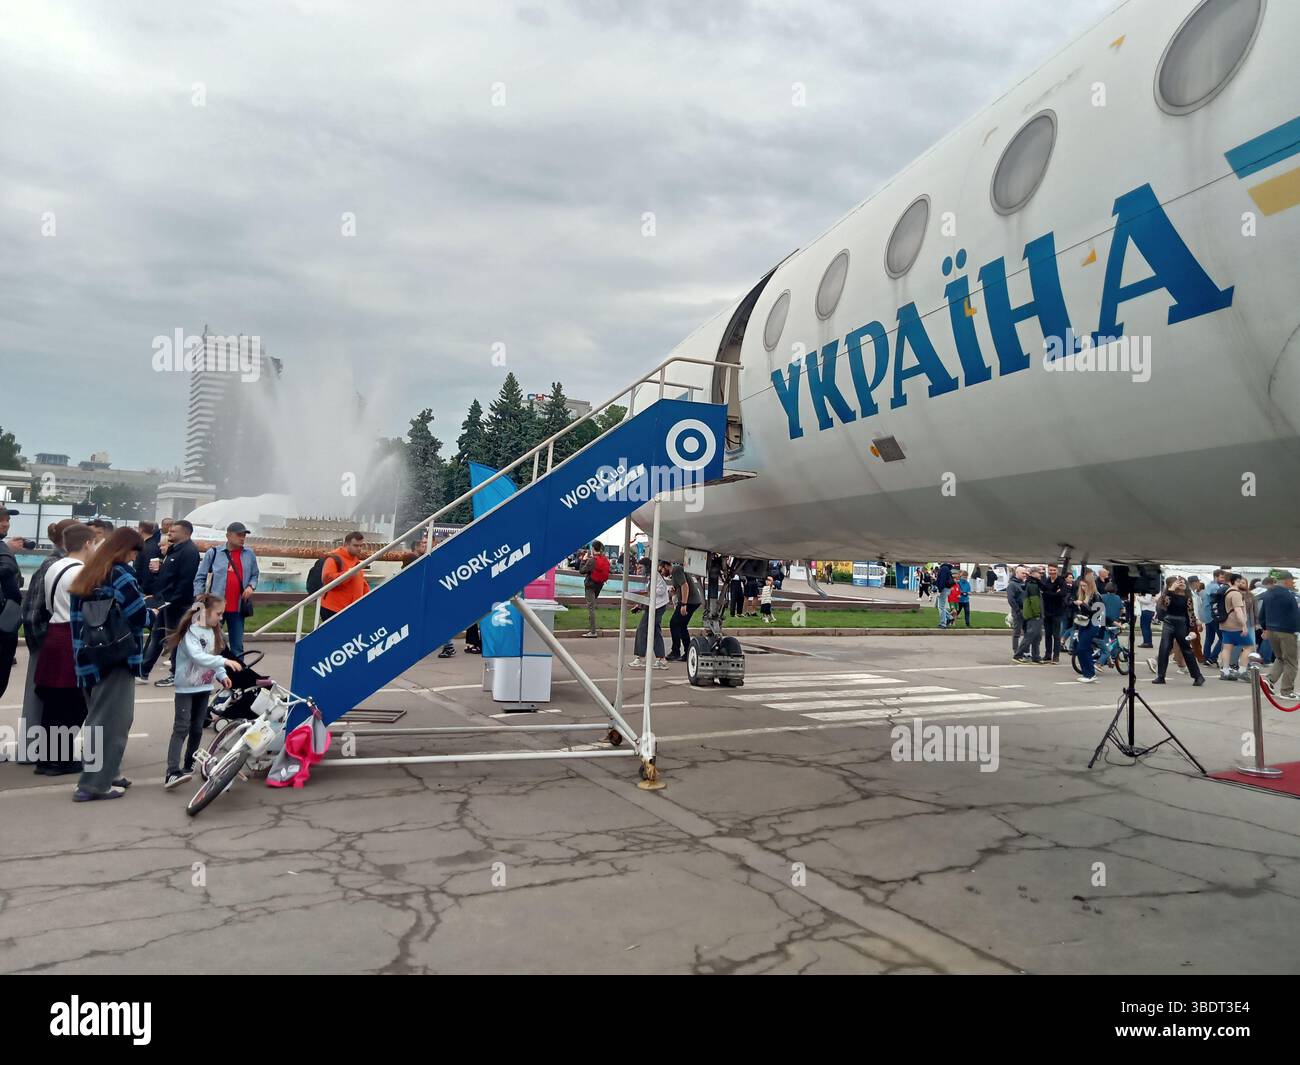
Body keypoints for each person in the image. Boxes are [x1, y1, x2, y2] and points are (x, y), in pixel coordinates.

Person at [68, 527, 147, 801]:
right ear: (125, 550)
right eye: (134, 552)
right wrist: (152, 614)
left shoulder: (88, 572)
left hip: (89, 656)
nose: (135, 558)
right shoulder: (120, 574)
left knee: (98, 718)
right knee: (113, 721)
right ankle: (93, 785)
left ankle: (109, 772)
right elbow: (137, 616)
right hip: (117, 658)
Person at [33, 523, 95, 775]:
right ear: (88, 543)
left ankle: (46, 758)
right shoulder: (81, 571)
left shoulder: (54, 566)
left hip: (54, 632)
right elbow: (91, 610)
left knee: (53, 701)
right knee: (72, 703)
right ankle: (60, 759)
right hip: (73, 634)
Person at [163, 593, 243, 789]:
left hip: (204, 687)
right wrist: (224, 661)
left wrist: (221, 674)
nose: (221, 617)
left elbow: (212, 657)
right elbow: (199, 657)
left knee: (197, 727)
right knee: (181, 727)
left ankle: (189, 764)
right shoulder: (190, 633)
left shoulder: (212, 632)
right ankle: (172, 772)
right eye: (218, 613)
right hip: (186, 688)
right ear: (204, 612)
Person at [143, 519, 200, 685]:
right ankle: (143, 670)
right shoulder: (173, 550)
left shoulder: (189, 552)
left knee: (175, 639)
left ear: (185, 533)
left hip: (177, 605)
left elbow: (186, 580)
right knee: (157, 635)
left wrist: (173, 601)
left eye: (173, 531)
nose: (169, 533)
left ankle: (176, 674)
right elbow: (168, 577)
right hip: (164, 602)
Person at [194, 521, 259, 658]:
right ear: (228, 536)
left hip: (238, 607)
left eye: (244, 535)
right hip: (215, 607)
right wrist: (199, 597)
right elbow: (200, 576)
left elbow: (255, 574)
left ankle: (237, 676)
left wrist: (251, 586)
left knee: (237, 646)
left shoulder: (249, 554)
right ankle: (209, 672)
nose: (242, 538)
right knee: (210, 641)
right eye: (239, 535)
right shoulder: (214, 553)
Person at [1151, 576, 1205, 686]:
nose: (1180, 584)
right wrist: (1171, 589)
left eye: (1182, 582)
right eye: (1178, 582)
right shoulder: (1168, 594)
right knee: (1164, 649)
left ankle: (1198, 676)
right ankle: (1161, 676)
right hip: (1168, 622)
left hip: (1181, 623)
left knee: (1186, 649)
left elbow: (1190, 613)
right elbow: (1164, 604)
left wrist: (1192, 627)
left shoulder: (1187, 597)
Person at [0, 505, 28, 701]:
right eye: (1, 519)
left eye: (7, 519)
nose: (5, 523)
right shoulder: (3, 550)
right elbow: (5, 569)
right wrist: (7, 553)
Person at [1259, 571, 1299, 698]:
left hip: (1271, 630)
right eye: (1292, 580)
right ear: (1286, 580)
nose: (1293, 583)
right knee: (1291, 661)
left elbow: (1262, 614)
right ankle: (1287, 691)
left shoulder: (1268, 593)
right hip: (1287, 631)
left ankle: (1270, 679)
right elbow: (1296, 615)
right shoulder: (1289, 595)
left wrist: (1265, 628)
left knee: (1280, 658)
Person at [630, 559, 670, 669]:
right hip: (656, 606)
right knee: (655, 632)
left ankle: (641, 657)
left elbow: (660, 591)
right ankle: (662, 659)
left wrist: (649, 593)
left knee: (642, 629)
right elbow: (650, 595)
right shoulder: (652, 576)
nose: (638, 570)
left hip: (657, 607)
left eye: (640, 568)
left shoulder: (655, 576)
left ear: (647, 567)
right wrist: (640, 606)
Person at [320, 531, 369, 621]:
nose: (359, 549)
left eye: (361, 545)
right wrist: (348, 574)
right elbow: (327, 579)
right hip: (334, 608)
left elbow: (360, 581)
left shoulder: (354, 559)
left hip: (348, 609)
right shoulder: (333, 559)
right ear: (346, 544)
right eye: (356, 545)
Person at [1219, 574, 1254, 680]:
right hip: (1236, 625)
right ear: (1236, 581)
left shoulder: (1226, 592)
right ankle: (1242, 671)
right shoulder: (1236, 594)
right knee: (1249, 647)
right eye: (1240, 581)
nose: (1241, 583)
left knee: (1227, 647)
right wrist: (1243, 625)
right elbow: (1238, 610)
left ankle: (1225, 671)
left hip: (1225, 624)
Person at [1072, 573, 1106, 683]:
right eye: (1081, 586)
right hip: (1084, 623)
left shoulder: (1096, 596)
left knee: (1082, 648)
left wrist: (1082, 604)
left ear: (1090, 585)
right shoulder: (1084, 596)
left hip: (1093, 624)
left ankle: (1090, 674)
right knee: (1082, 649)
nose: (1082, 588)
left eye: (1084, 586)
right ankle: (1087, 673)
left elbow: (1094, 612)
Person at [666, 562, 703, 660]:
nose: (661, 572)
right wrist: (675, 591)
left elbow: (685, 586)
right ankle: (687, 652)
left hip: (689, 602)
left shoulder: (676, 570)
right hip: (693, 601)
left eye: (660, 569)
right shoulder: (675, 572)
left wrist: (683, 604)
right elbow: (682, 586)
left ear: (665, 566)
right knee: (682, 626)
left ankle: (676, 651)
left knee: (674, 623)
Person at [1014, 567, 1046, 663]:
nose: (1040, 574)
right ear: (1033, 574)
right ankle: (1018, 654)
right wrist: (1037, 614)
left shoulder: (1033, 584)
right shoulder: (1032, 585)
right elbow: (1034, 601)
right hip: (1034, 615)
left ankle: (1036, 656)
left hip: (1036, 614)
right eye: (1039, 573)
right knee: (1030, 635)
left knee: (1037, 636)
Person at [578, 541, 609, 638]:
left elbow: (581, 571)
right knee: (592, 606)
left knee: (591, 608)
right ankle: (591, 628)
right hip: (599, 585)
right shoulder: (604, 559)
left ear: (593, 548)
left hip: (590, 586)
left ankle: (593, 631)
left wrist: (583, 559)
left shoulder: (592, 560)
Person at [1200, 569, 1226, 668]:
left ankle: (1206, 658)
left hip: (1207, 616)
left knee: (1209, 638)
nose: (1223, 579)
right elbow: (1218, 598)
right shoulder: (1215, 587)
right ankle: (1212, 658)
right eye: (1221, 577)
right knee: (1223, 638)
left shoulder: (1209, 585)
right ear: (1216, 577)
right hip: (1213, 616)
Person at [1040, 563, 1066, 661]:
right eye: (1050, 570)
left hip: (1057, 612)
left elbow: (1063, 593)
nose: (1052, 572)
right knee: (1047, 634)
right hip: (1047, 612)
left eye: (1054, 570)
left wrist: (1050, 594)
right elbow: (1044, 594)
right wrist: (1055, 593)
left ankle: (1056, 656)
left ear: (1057, 571)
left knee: (1056, 635)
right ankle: (1048, 654)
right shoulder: (1046, 581)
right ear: (1048, 571)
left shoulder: (1061, 581)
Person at [1006, 566, 1027, 657]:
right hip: (1018, 611)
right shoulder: (1012, 584)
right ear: (1017, 573)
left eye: (1025, 573)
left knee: (1027, 631)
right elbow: (1011, 599)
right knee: (1017, 632)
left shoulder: (1024, 583)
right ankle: (1016, 650)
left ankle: (1025, 650)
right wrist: (1018, 610)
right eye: (1023, 573)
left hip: (1026, 611)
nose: (1024, 575)